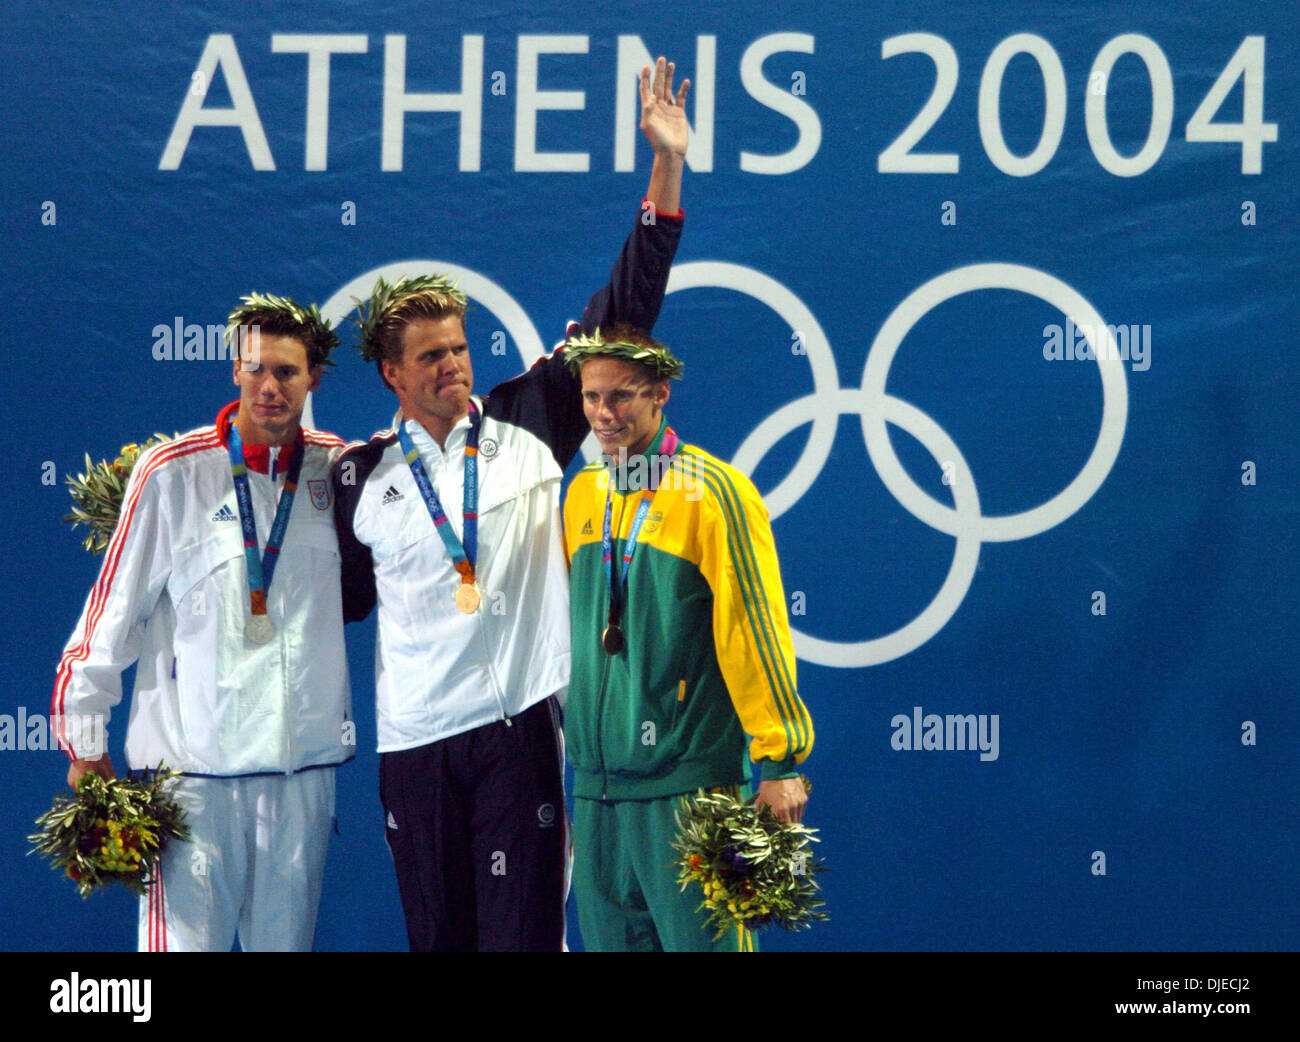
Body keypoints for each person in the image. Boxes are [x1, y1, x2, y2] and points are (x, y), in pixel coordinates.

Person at [332, 57, 689, 951]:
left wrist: (665, 169)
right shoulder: (356, 477)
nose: (452, 366)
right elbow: (329, 597)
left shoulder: (531, 416)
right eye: (430, 358)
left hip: (517, 729)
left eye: (457, 348)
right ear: (391, 374)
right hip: (414, 747)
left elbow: (625, 314)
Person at [52, 296, 353, 951]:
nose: (270, 387)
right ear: (234, 371)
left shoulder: (341, 471)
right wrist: (86, 744)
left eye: (287, 372)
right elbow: (108, 621)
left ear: (314, 379)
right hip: (194, 789)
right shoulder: (172, 475)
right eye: (255, 369)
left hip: (301, 782)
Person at [561, 326, 814, 952]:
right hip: (597, 790)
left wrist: (778, 761)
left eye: (621, 396)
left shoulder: (712, 491)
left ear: (660, 394)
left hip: (688, 786)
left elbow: (754, 629)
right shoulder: (582, 493)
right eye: (592, 397)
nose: (604, 413)